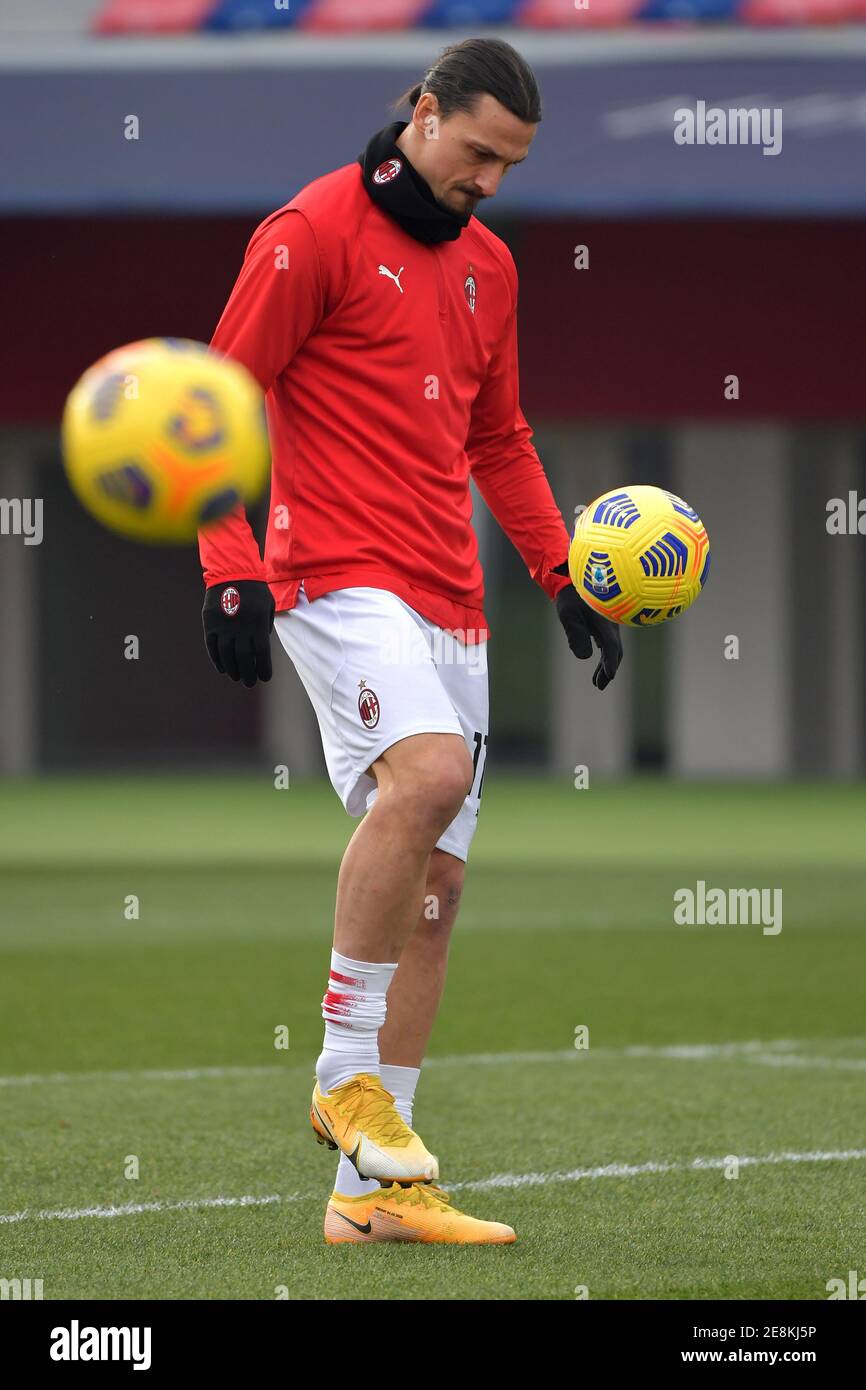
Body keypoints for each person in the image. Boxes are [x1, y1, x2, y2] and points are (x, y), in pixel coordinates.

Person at [200, 36, 622, 1245]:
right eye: (478, 151)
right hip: (334, 572)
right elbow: (215, 403)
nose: (490, 180)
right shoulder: (308, 232)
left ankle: (372, 1203)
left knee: (435, 891)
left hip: (451, 597)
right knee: (427, 777)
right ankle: (340, 1073)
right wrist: (231, 569)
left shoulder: (490, 266)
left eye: (511, 164)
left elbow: (499, 436)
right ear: (424, 115)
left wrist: (558, 570)